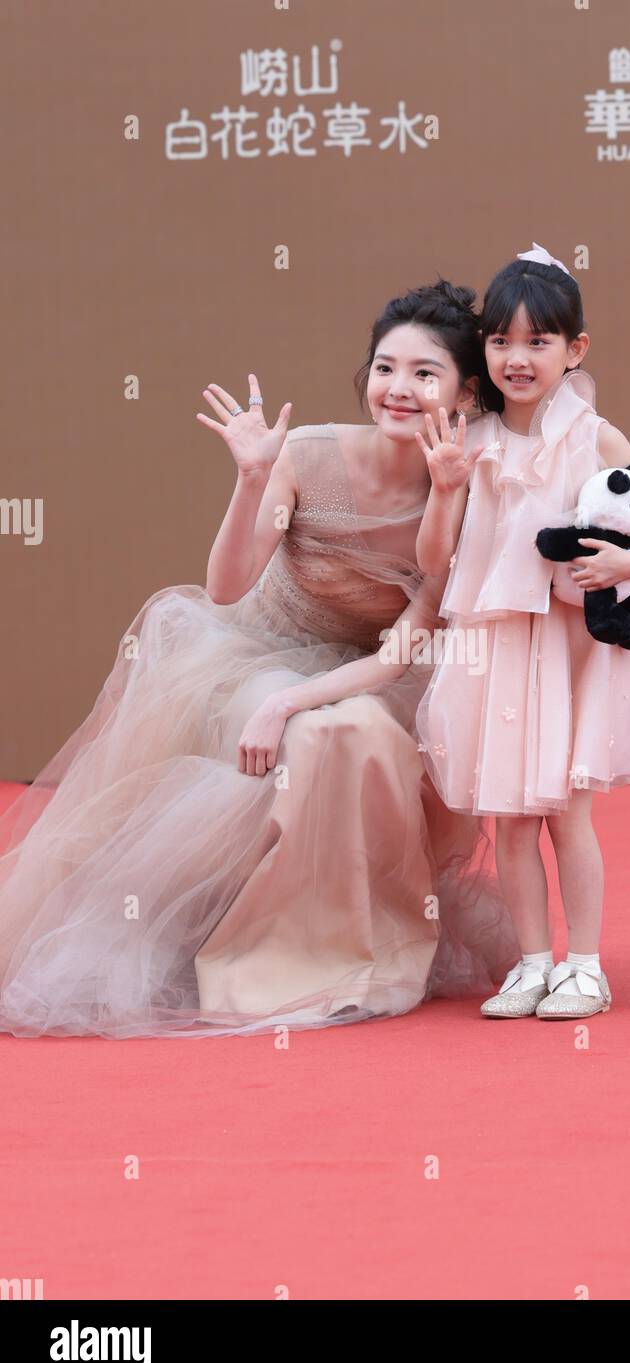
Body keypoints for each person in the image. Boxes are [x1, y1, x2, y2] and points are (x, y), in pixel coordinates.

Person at [0, 279, 519, 1039]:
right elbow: (224, 586)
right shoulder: (306, 455)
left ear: (466, 394)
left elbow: (408, 646)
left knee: (356, 732)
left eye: (423, 373)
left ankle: (356, 955)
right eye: (384, 367)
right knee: (317, 734)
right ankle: (260, 959)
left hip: (375, 673)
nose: (398, 389)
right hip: (254, 656)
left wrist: (292, 703)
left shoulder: (465, 490)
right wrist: (250, 480)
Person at [413, 244, 630, 1020]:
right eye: (500, 341)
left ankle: (586, 967)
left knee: (567, 814)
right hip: (497, 649)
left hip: (568, 651)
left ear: (575, 349)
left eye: (538, 342)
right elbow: (436, 561)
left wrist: (616, 569)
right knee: (511, 818)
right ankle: (532, 965)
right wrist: (444, 489)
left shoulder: (599, 439)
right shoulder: (472, 441)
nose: (517, 358)